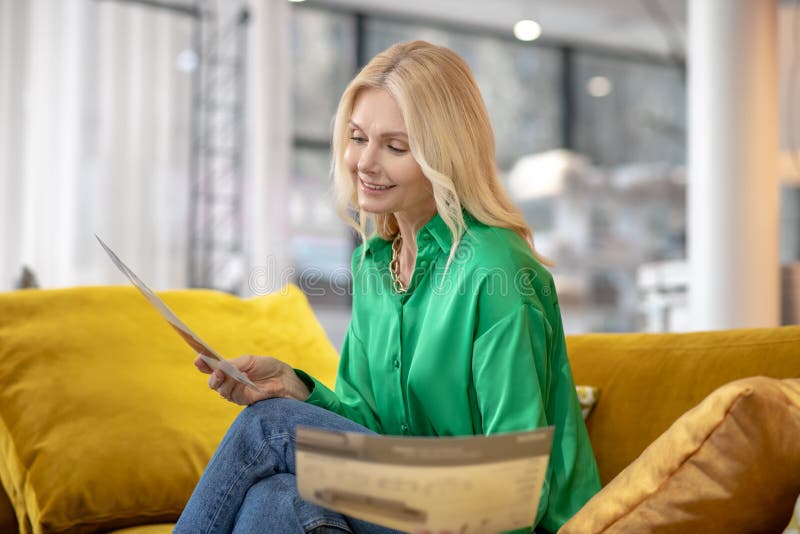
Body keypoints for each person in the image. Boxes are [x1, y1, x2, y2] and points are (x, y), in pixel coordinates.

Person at [174, 40, 600, 534]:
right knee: (277, 498)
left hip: (490, 517)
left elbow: (514, 489)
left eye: (395, 147)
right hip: (411, 512)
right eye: (357, 138)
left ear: (446, 155)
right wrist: (296, 389)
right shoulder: (375, 264)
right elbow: (369, 427)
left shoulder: (496, 271)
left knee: (267, 428)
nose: (365, 162)